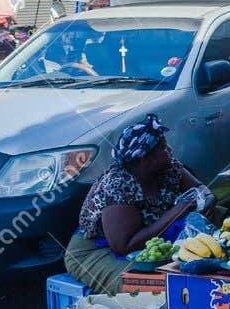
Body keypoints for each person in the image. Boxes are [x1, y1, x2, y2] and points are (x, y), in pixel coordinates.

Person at [65, 114, 214, 295]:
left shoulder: (169, 167)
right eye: (164, 149)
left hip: (152, 235)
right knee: (144, 288)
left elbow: (203, 191)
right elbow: (124, 245)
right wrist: (176, 212)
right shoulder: (119, 185)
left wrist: (205, 203)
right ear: (145, 159)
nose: (170, 150)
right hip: (98, 250)